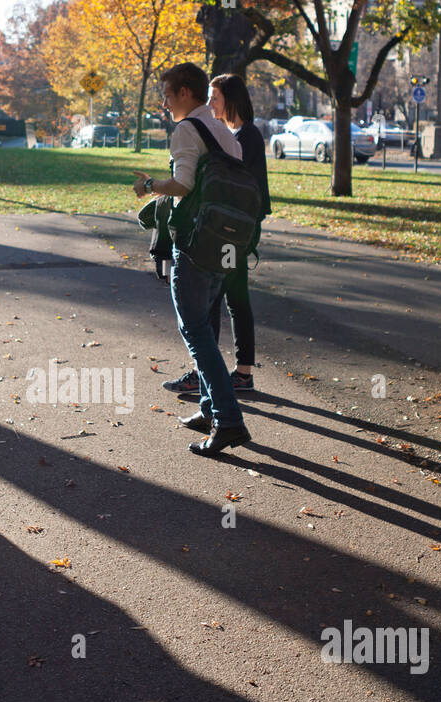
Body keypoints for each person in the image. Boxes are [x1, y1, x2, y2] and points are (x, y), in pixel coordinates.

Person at [133, 63, 251, 456]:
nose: (164, 103)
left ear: (186, 92)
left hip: (196, 243)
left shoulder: (187, 130)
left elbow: (182, 184)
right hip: (228, 242)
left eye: (167, 94)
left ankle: (229, 421)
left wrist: (149, 186)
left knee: (196, 333)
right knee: (208, 326)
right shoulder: (224, 131)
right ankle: (209, 409)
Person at [160, 73, 270, 397]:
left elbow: (240, 188)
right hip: (229, 228)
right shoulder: (230, 133)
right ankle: (213, 378)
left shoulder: (245, 135)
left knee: (232, 296)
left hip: (233, 229)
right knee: (220, 296)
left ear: (231, 98)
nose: (211, 103)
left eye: (215, 97)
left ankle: (238, 373)